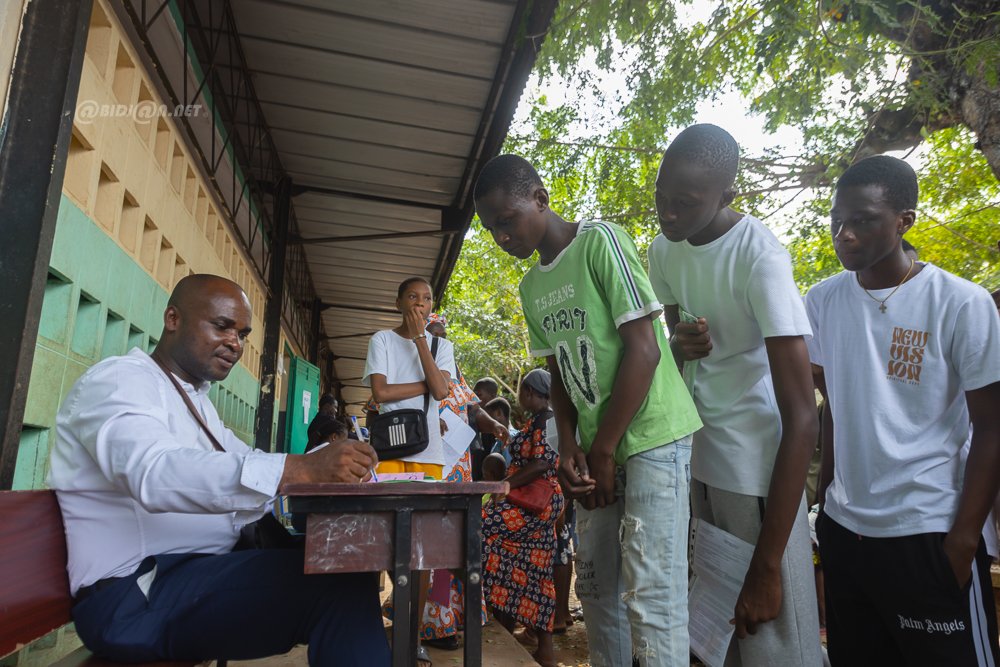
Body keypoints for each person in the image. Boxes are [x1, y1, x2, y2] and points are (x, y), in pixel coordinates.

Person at [47, 274, 388, 665]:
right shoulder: (119, 381)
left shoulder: (197, 401)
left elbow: (247, 465)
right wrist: (300, 468)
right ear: (173, 318)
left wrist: (323, 475)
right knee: (338, 590)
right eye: (222, 326)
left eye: (242, 333)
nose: (235, 343)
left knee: (347, 565)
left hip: (194, 574)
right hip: (136, 595)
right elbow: (154, 472)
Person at [475, 154, 703, 666]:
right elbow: (558, 373)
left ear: (540, 198)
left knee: (652, 595)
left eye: (507, 220)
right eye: (491, 229)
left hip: (652, 436)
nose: (502, 238)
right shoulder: (532, 287)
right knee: (599, 590)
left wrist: (602, 448)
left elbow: (644, 347)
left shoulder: (600, 241)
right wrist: (571, 447)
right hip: (596, 452)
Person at [806, 155, 1000, 665]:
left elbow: (992, 428)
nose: (843, 235)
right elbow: (834, 407)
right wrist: (826, 504)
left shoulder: (961, 303)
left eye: (863, 220)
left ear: (904, 220)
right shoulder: (823, 300)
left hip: (930, 533)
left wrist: (961, 542)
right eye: (836, 220)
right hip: (848, 535)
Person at [647, 124, 822, 665]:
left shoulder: (759, 257)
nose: (668, 214)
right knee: (718, 642)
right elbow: (668, 364)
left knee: (773, 644)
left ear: (728, 195)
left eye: (685, 203)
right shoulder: (665, 250)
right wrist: (677, 343)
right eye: (661, 198)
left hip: (760, 478)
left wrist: (769, 568)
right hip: (701, 466)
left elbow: (802, 417)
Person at [482, 368, 563, 667]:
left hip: (534, 503)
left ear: (529, 392)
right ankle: (545, 649)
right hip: (536, 502)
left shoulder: (546, 420)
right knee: (538, 570)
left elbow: (542, 463)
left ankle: (495, 609)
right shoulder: (541, 420)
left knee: (478, 527)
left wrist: (506, 485)